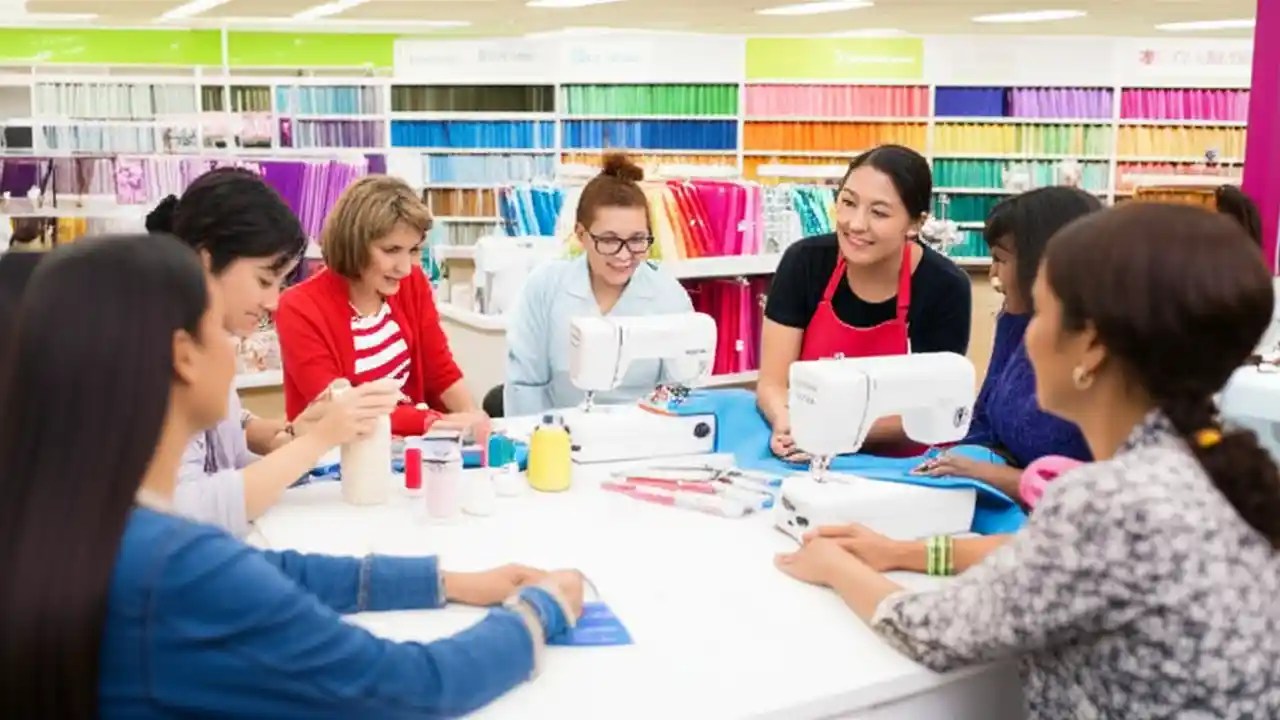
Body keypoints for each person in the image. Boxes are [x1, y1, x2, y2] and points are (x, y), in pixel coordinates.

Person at [0, 234, 585, 718]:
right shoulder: (171, 564)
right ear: (183, 355)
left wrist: (446, 580)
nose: (239, 346)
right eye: (221, 331)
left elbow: (269, 573)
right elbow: (410, 690)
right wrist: (538, 611)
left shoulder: (73, 520)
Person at [775, 203, 1280, 719]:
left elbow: (934, 633)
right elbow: (1040, 555)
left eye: (1041, 312)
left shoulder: (1115, 501)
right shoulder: (1206, 466)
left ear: (1090, 346)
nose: (1026, 336)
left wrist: (834, 565)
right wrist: (902, 551)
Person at [146, 168, 400, 538]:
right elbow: (185, 508)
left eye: (280, 284)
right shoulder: (157, 352)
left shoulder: (205, 336)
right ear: (205, 261)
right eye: (264, 281)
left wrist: (292, 435)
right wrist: (315, 442)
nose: (273, 301)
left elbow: (222, 453)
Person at [757, 145, 972, 459]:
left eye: (879, 212)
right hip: (807, 448)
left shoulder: (943, 286)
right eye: (848, 202)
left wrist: (834, 432)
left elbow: (936, 407)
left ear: (915, 224)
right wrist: (786, 421)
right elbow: (773, 384)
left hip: (901, 466)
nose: (856, 224)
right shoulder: (804, 262)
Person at [276, 175, 486, 437]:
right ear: (354, 243)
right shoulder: (299, 307)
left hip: (410, 448)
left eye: (412, 250)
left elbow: (440, 370)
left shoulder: (412, 283)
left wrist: (473, 420)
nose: (405, 268)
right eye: (391, 250)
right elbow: (340, 407)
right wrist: (434, 423)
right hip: (338, 457)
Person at [505, 153, 694, 416]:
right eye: (609, 240)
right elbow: (524, 386)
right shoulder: (544, 288)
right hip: (557, 440)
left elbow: (683, 387)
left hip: (643, 440)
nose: (624, 254)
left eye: (637, 239)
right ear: (581, 235)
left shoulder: (669, 295)